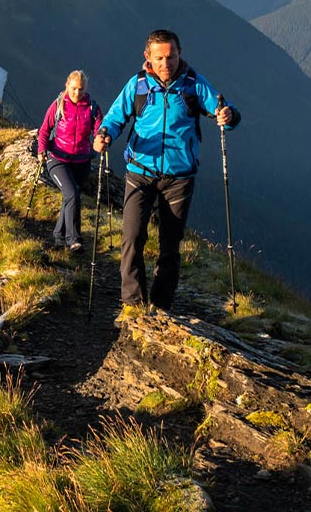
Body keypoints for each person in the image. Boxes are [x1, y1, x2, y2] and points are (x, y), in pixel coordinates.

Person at [93, 29, 240, 316]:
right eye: (159, 57)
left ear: (179, 53)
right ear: (147, 57)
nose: (165, 63)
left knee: (169, 246)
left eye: (170, 56)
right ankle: (134, 305)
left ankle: (161, 307)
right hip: (140, 171)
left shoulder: (193, 84)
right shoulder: (137, 85)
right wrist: (102, 135)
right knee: (132, 237)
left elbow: (223, 109)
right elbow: (114, 118)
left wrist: (228, 116)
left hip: (179, 177)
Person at [36, 70, 101, 251]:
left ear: (85, 89)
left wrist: (102, 138)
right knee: (72, 193)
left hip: (82, 161)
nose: (76, 93)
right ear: (67, 86)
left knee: (70, 196)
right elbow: (44, 131)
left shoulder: (92, 108)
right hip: (57, 158)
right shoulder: (58, 105)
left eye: (80, 89)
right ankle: (73, 240)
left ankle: (58, 236)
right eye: (73, 89)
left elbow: (99, 130)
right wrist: (41, 150)